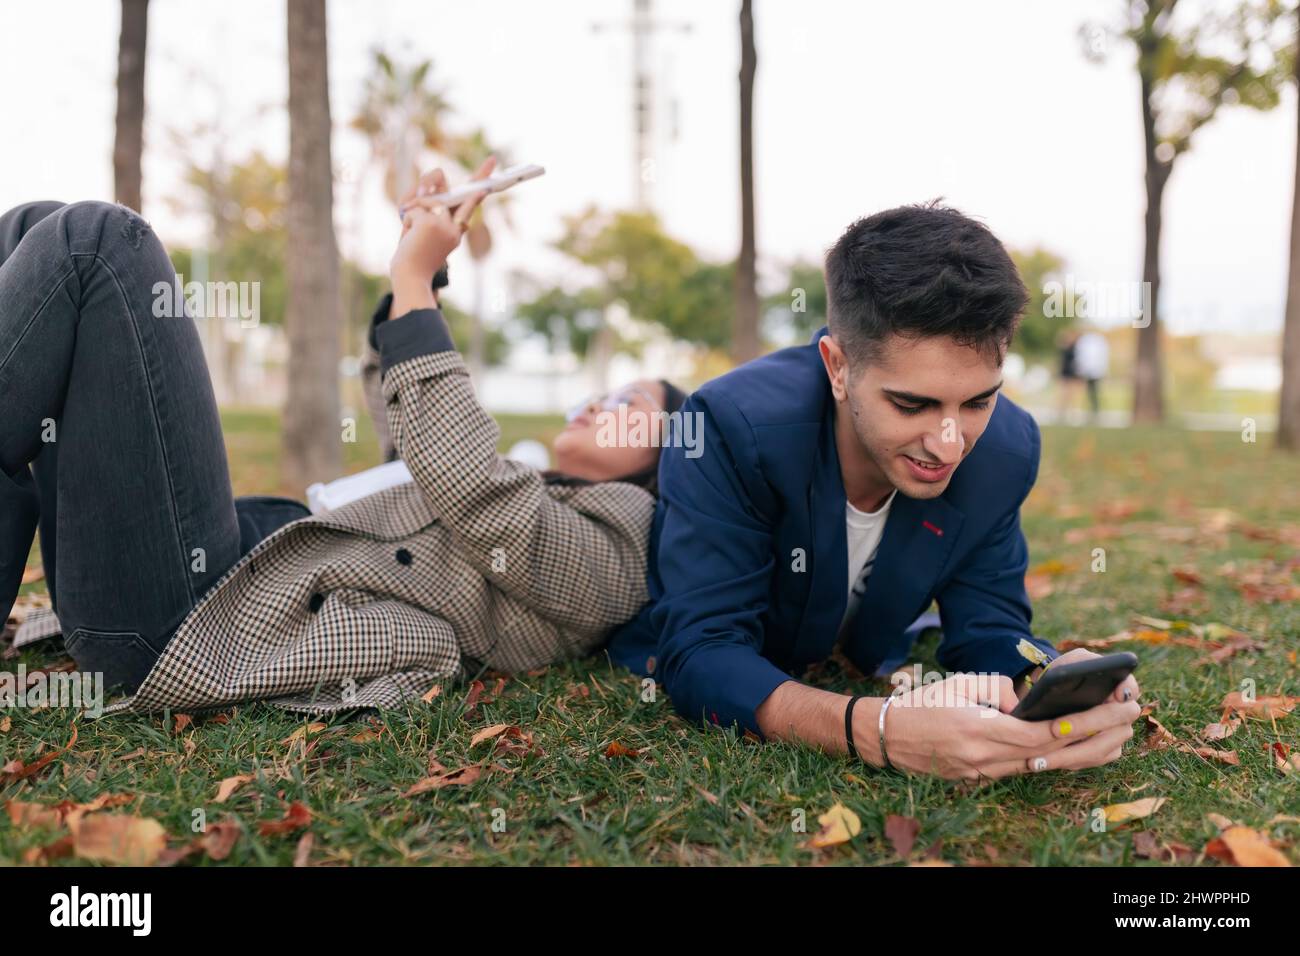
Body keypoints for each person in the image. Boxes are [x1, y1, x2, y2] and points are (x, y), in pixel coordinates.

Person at [0, 161, 684, 716]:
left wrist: (412, 280)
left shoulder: (625, 551)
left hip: (189, 617)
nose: (599, 401)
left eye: (628, 401)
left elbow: (475, 492)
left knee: (95, 243)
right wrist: (423, 278)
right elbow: (416, 445)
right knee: (31, 226)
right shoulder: (541, 491)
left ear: (667, 459)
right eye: (602, 389)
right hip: (180, 572)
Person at [608, 201, 1141, 781]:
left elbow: (988, 628)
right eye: (912, 404)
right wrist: (879, 731)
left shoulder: (1005, 451)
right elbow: (699, 652)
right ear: (837, 367)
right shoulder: (729, 425)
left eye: (978, 401)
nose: (948, 445)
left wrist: (1045, 677)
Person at [1072, 328, 1109, 420]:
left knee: (1093, 391)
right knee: (1091, 391)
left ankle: (1094, 409)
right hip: (1091, 370)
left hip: (1093, 370)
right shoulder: (1094, 341)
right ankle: (1091, 408)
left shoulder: (1087, 342)